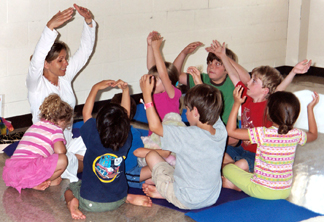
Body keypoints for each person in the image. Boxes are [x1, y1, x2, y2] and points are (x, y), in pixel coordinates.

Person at [206, 40, 312, 177]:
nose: (248, 82)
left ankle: (233, 171)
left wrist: (292, 72)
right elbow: (233, 75)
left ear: (265, 90)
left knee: (240, 164)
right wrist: (223, 56)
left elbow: (279, 90)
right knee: (215, 151)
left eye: (254, 81)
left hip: (257, 157)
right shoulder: (245, 96)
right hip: (240, 150)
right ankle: (233, 171)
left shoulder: (270, 105)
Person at [26, 4, 96, 182]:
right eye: (60, 60)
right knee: (66, 160)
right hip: (46, 147)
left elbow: (85, 52)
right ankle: (70, 167)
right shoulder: (36, 85)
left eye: (65, 58)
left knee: (97, 140)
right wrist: (49, 28)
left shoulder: (64, 77)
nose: (66, 63)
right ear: (46, 63)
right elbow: (36, 62)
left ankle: (70, 166)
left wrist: (88, 22)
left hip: (68, 141)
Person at [64, 79, 152, 220]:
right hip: (118, 198)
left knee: (70, 188)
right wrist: (125, 91)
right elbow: (126, 117)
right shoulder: (126, 139)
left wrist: (95, 88)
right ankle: (126, 198)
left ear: (98, 122)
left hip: (90, 202)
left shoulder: (92, 137)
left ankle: (72, 205)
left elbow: (86, 113)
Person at [139, 74, 227, 210]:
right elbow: (208, 105)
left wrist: (146, 96)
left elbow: (155, 127)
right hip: (212, 197)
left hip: (186, 199)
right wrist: (199, 83)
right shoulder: (221, 131)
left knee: (151, 156)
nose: (185, 113)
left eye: (187, 109)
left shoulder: (187, 135)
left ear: (196, 112)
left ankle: (165, 192)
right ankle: (167, 188)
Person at [222, 87, 319, 198]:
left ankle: (238, 186)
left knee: (227, 169)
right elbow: (313, 134)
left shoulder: (263, 133)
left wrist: (236, 104)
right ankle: (238, 184)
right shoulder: (296, 134)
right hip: (284, 191)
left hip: (261, 190)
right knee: (238, 172)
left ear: (268, 112)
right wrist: (310, 109)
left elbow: (230, 131)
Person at [2, 94, 73, 193]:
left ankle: (28, 183)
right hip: (29, 169)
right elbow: (60, 151)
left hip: (11, 173)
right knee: (63, 159)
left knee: (55, 179)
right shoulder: (56, 129)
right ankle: (39, 182)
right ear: (62, 121)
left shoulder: (34, 126)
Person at [174, 41, 237, 127]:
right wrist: (183, 53)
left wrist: (224, 57)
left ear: (227, 68)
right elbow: (174, 75)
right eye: (210, 62)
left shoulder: (232, 82)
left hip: (225, 129)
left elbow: (246, 78)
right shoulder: (200, 78)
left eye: (217, 64)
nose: (211, 66)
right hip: (203, 130)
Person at [146, 31, 181, 124]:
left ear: (168, 81)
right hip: (155, 134)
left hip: (170, 135)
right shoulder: (155, 92)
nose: (152, 82)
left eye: (156, 80)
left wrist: (156, 49)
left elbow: (163, 74)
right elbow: (151, 67)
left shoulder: (172, 94)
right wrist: (150, 46)